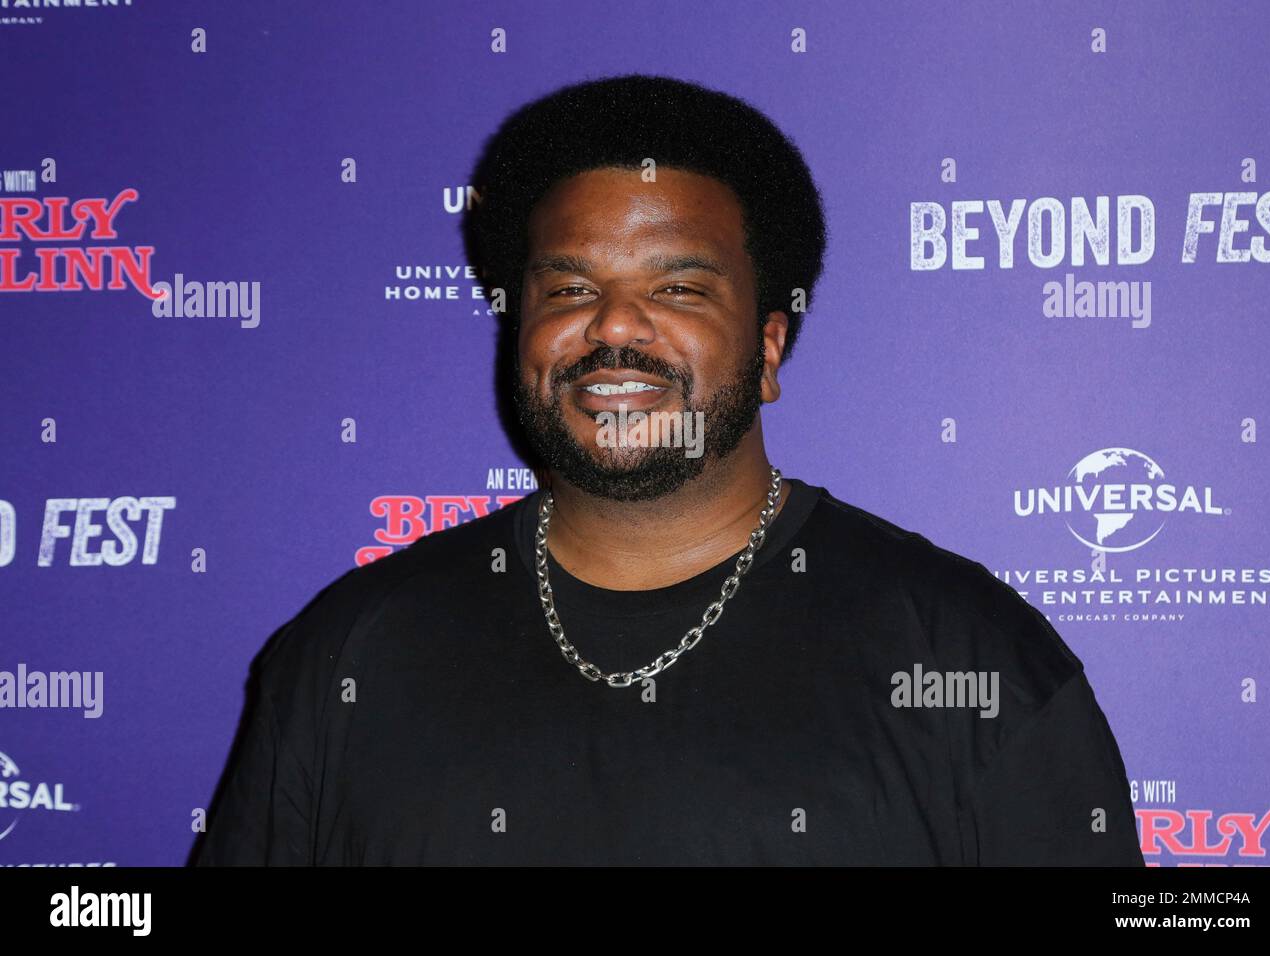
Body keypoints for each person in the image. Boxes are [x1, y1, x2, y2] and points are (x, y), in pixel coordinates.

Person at [194, 74, 1143, 866]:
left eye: (677, 288)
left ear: (769, 350)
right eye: (569, 289)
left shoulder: (968, 656)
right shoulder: (346, 656)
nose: (611, 325)